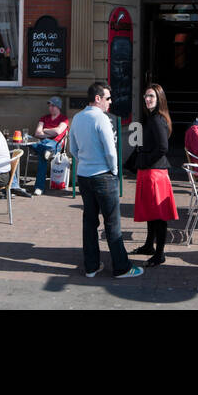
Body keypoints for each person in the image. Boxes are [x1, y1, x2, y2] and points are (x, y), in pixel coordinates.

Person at [68, 82, 142, 279]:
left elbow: (72, 149)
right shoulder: (101, 119)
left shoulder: (76, 118)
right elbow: (111, 151)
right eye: (108, 98)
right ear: (98, 98)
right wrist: (115, 171)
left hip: (83, 176)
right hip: (103, 176)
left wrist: (83, 160)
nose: (111, 102)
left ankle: (91, 267)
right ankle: (121, 267)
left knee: (89, 222)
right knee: (112, 223)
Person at [131, 85, 177, 267]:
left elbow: (163, 148)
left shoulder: (157, 119)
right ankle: (149, 245)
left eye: (151, 96)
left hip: (155, 172)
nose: (147, 99)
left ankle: (160, 253)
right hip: (150, 171)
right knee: (152, 212)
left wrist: (145, 160)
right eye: (146, 96)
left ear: (159, 98)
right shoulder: (152, 118)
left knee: (158, 215)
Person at [28, 96, 69, 195]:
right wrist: (50, 133)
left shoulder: (64, 119)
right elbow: (37, 133)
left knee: (43, 156)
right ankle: (44, 151)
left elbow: (58, 131)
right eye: (49, 106)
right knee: (27, 138)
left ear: (58, 107)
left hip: (55, 144)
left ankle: (39, 187)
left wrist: (45, 130)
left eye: (53, 106)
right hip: (42, 142)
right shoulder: (44, 118)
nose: (50, 108)